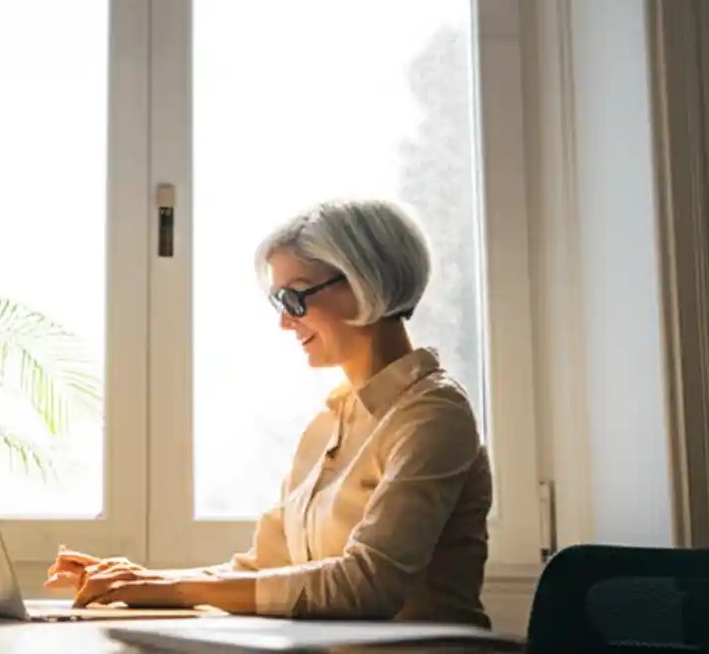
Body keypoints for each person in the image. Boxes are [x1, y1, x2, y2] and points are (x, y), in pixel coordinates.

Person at [46, 199, 492, 625]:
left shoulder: (433, 415)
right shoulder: (330, 422)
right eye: (280, 302)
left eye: (296, 299)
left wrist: (175, 588)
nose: (285, 321)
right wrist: (139, 582)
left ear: (365, 283)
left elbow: (368, 584)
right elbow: (264, 569)